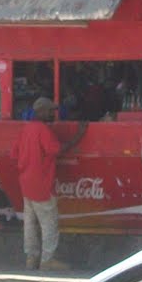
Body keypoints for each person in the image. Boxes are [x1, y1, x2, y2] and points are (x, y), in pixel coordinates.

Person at [13, 96, 87, 271]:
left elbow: (14, 153)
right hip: (41, 183)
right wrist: (79, 134)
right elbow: (57, 150)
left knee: (29, 223)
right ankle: (48, 259)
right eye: (50, 111)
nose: (53, 114)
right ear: (41, 112)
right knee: (49, 222)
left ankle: (31, 258)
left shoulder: (26, 129)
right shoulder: (43, 130)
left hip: (26, 182)